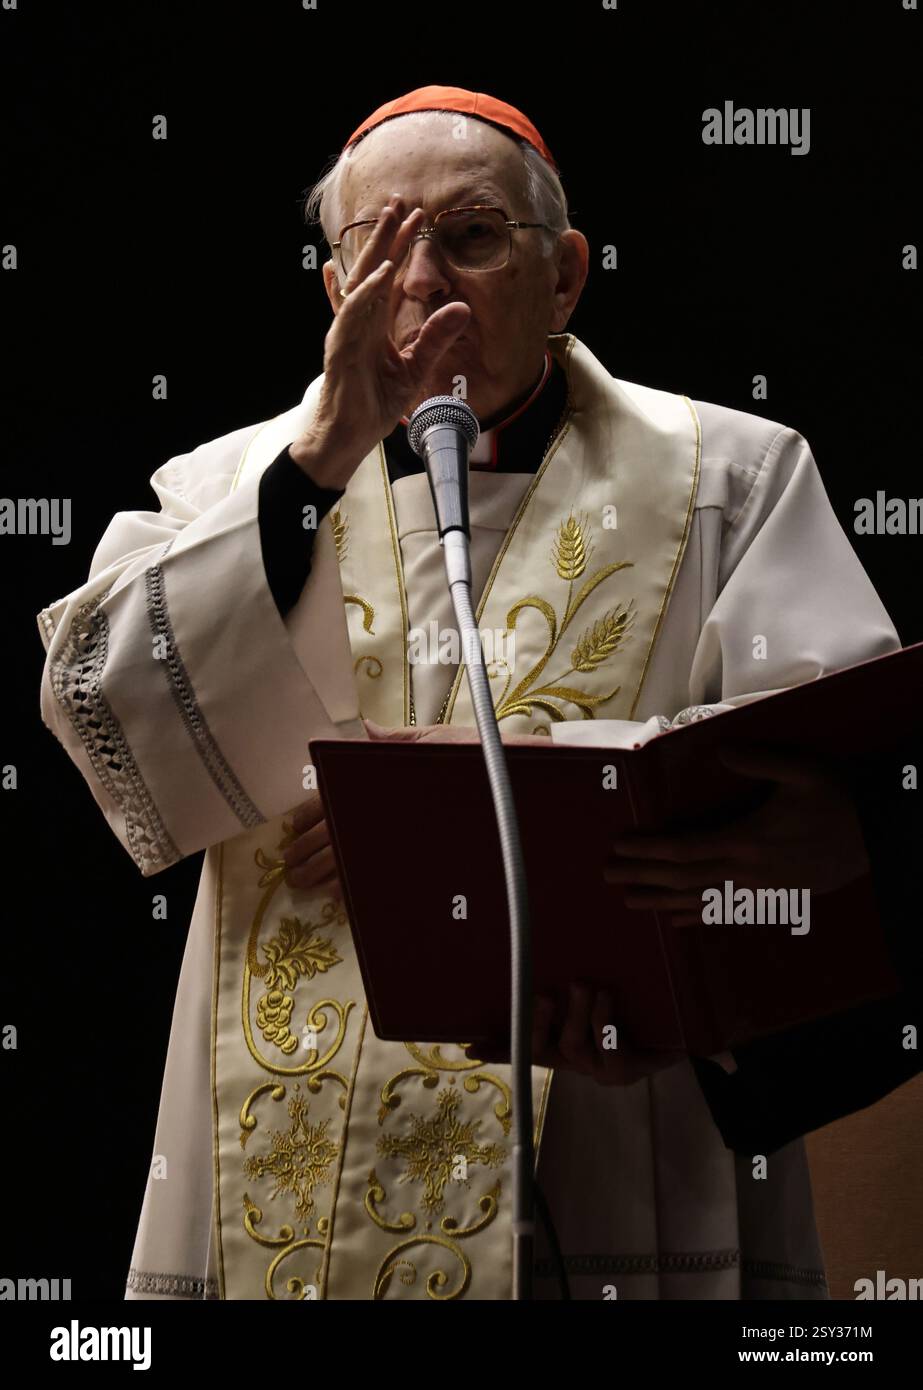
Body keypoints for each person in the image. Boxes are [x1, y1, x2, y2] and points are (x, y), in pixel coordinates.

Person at [36, 86, 900, 1301]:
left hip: (612, 1112)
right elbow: (104, 715)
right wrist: (325, 451)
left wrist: (502, 826)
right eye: (378, 245)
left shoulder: (732, 478)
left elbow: (836, 788)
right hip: (288, 1140)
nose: (420, 276)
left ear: (563, 279)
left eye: (472, 236)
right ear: (334, 287)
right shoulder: (228, 487)